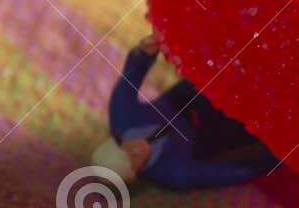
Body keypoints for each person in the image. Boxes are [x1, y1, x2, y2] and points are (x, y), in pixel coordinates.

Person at [91, 34, 279, 189]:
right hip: (215, 131)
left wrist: (144, 52)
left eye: (123, 144)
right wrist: (274, 159)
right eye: (134, 158)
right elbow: (226, 172)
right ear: (138, 171)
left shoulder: (123, 115)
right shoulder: (175, 173)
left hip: (190, 94)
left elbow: (131, 74)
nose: (135, 148)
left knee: (221, 69)